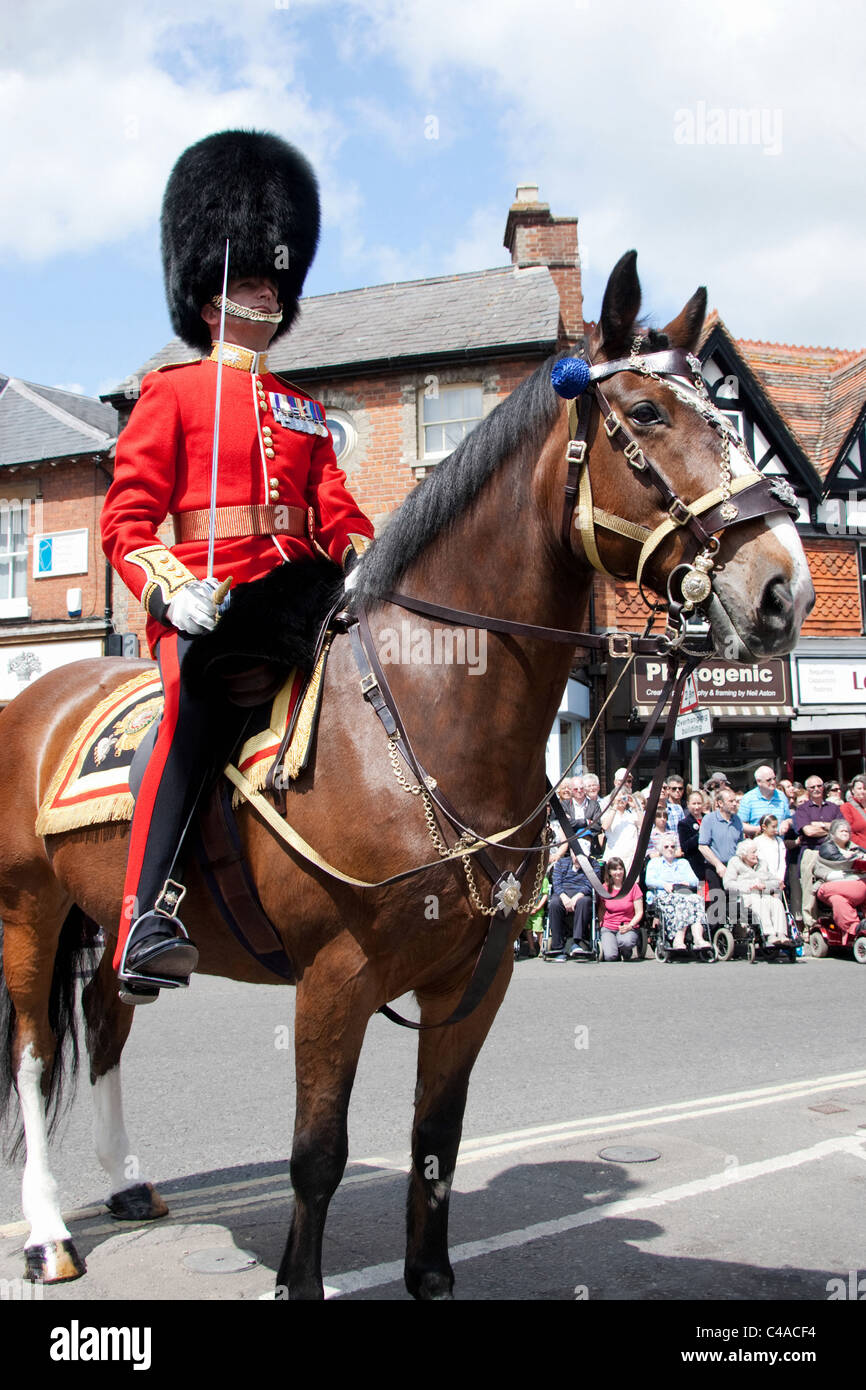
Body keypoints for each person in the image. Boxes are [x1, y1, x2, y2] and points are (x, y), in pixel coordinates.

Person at [101, 130, 375, 1004]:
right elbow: (127, 518)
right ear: (210, 293)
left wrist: (366, 555)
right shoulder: (170, 391)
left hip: (301, 596)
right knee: (194, 717)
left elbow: (337, 508)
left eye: (275, 280)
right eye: (250, 277)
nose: (268, 290)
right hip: (211, 603)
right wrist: (170, 589)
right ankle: (145, 914)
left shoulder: (302, 408)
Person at [645, 834, 712, 951]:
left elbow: (695, 880)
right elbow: (649, 880)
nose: (670, 849)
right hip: (664, 896)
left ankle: (698, 938)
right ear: (661, 849)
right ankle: (678, 938)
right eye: (666, 847)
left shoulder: (683, 863)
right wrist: (664, 884)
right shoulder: (654, 863)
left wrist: (685, 882)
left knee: (697, 899)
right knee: (682, 901)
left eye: (672, 846)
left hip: (683, 893)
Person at [723, 839, 788, 945]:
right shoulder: (735, 862)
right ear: (744, 854)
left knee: (777, 903)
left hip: (764, 895)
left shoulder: (762, 864)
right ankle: (769, 934)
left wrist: (765, 885)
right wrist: (750, 886)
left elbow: (775, 881)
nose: (757, 854)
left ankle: (781, 934)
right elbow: (728, 883)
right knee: (759, 902)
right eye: (753, 852)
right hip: (746, 897)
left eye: (757, 851)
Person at [793, 777, 838, 927]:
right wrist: (830, 828)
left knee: (835, 885)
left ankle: (835, 921)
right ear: (808, 790)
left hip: (832, 852)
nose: (816, 789)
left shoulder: (833, 807)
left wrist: (820, 825)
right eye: (812, 787)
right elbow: (808, 831)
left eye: (819, 786)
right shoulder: (803, 809)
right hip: (811, 851)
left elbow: (842, 829)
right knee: (809, 890)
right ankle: (810, 926)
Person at [813, 819, 866, 942]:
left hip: (850, 887)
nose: (845, 833)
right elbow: (841, 861)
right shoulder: (827, 848)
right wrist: (855, 858)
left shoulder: (854, 848)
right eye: (841, 830)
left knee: (838, 899)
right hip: (828, 885)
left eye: (847, 831)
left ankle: (855, 927)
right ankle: (854, 928)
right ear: (833, 834)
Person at [698, 786, 744, 924]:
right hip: (714, 866)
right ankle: (716, 931)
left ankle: (736, 932)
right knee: (718, 900)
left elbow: (741, 845)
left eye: (736, 801)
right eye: (731, 801)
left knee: (734, 900)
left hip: (733, 866)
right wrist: (718, 865)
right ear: (720, 803)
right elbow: (702, 846)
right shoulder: (709, 820)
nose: (735, 804)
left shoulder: (737, 820)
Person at [547, 846, 595, 960]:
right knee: (554, 904)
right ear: (571, 853)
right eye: (576, 855)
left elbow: (592, 884)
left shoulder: (593, 864)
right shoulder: (561, 863)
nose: (578, 858)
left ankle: (577, 942)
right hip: (563, 893)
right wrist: (564, 898)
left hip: (581, 894)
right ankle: (557, 947)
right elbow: (557, 883)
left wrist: (576, 897)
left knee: (584, 903)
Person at [597, 857, 643, 961]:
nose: (618, 872)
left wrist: (630, 925)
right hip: (609, 926)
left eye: (620, 869)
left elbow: (639, 912)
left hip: (627, 925)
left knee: (626, 942)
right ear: (609, 871)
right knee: (610, 956)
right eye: (614, 869)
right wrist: (600, 924)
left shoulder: (633, 887)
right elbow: (601, 909)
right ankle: (614, 948)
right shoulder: (604, 888)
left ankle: (625, 950)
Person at [738, 766, 792, 838]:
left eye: (774, 778)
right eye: (768, 780)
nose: (773, 782)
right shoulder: (748, 798)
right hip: (757, 845)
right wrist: (761, 829)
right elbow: (740, 824)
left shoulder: (781, 796)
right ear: (759, 781)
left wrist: (786, 823)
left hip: (778, 844)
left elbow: (789, 818)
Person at [600, 780, 643, 871]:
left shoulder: (631, 815)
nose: (621, 800)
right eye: (618, 796)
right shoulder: (608, 814)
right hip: (614, 857)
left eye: (624, 797)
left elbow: (643, 826)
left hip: (630, 858)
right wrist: (615, 805)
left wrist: (636, 807)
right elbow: (605, 826)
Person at [678, 790, 707, 882]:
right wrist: (700, 834)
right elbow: (685, 846)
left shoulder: (709, 819)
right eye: (694, 803)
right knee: (701, 891)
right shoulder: (684, 823)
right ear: (688, 804)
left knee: (715, 892)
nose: (697, 807)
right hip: (695, 864)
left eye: (699, 803)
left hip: (711, 863)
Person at [840, 776, 866, 849]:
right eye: (859, 788)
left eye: (865, 789)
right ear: (853, 790)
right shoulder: (846, 808)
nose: (862, 791)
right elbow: (848, 833)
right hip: (860, 852)